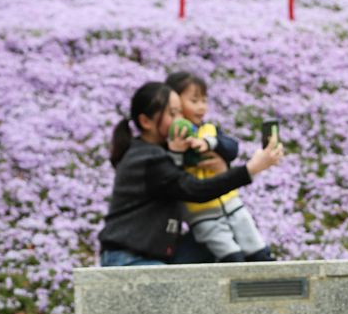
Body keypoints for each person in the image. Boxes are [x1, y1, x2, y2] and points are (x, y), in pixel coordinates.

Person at [99, 82, 283, 267]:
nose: (181, 120)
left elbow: (226, 148)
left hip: (156, 255)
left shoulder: (165, 152)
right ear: (146, 122)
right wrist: (251, 169)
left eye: (180, 112)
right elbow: (195, 189)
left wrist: (220, 164)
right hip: (130, 258)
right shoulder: (148, 159)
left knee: (217, 237)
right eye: (173, 114)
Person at [166, 70, 274, 262]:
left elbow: (232, 148)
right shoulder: (171, 139)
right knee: (231, 258)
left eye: (204, 101)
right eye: (194, 101)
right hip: (201, 215)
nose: (201, 107)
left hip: (233, 205)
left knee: (258, 252)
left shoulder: (210, 130)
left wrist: (210, 143)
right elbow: (173, 175)